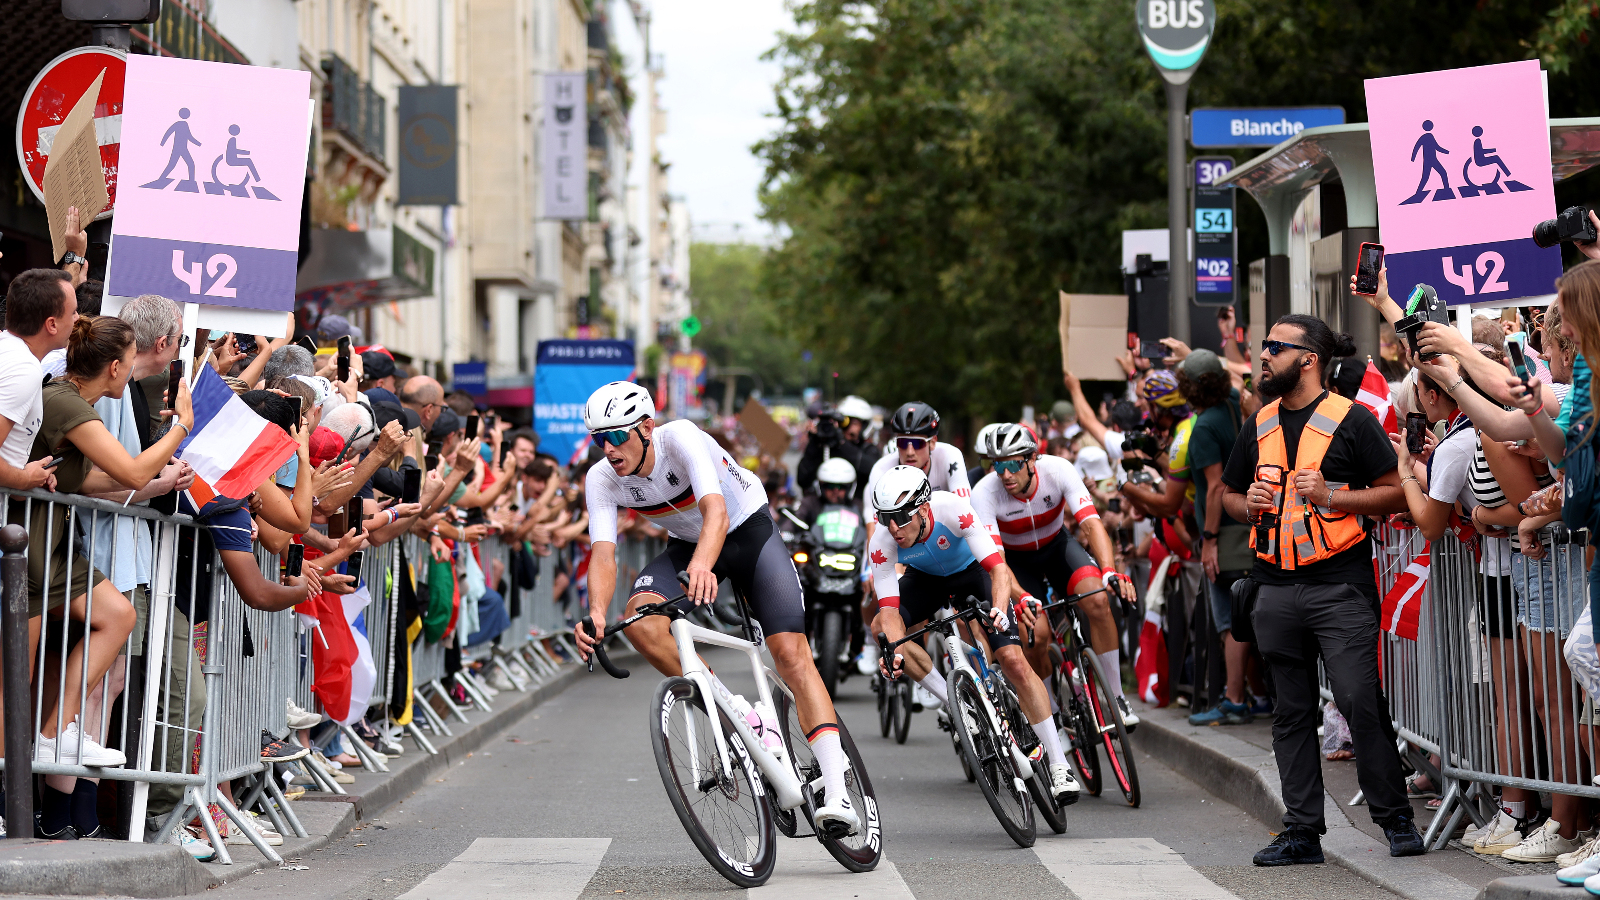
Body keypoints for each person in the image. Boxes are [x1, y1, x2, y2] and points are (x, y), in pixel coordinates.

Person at [570, 381, 862, 834]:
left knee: (789, 654)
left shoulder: (680, 437)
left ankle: (838, 785)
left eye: (616, 436)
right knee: (642, 623)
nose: (607, 449)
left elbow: (717, 512)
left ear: (647, 426)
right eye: (598, 439)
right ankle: (741, 713)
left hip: (747, 534)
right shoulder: (602, 479)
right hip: (688, 545)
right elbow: (604, 554)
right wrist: (597, 614)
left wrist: (705, 565)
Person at [1220, 313, 1422, 864]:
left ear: (1308, 359)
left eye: (1274, 347)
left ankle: (1395, 819)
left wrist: (1333, 496)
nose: (1263, 355)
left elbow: (1395, 495)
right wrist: (1248, 505)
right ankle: (1302, 832)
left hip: (1339, 586)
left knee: (1359, 701)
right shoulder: (1259, 423)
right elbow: (1229, 497)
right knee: (1291, 712)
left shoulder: (1353, 421)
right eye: (1263, 347)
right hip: (1273, 587)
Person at [867, 464, 1081, 805]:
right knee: (884, 631)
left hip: (973, 573)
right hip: (925, 582)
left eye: (902, 517)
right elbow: (890, 610)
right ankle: (953, 704)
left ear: (923, 509)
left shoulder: (952, 509)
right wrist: (893, 649)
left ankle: (1059, 764)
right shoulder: (882, 541)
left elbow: (997, 568)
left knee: (1012, 658)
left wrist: (998, 609)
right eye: (885, 517)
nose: (894, 528)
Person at [969, 424, 1139, 729]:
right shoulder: (985, 492)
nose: (1004, 474)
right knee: (1037, 637)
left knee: (1099, 602)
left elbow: (1091, 524)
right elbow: (997, 562)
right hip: (1016, 563)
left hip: (1057, 547)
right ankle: (1051, 710)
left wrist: (1109, 570)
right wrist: (1021, 597)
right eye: (997, 465)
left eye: (1012, 464)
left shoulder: (1058, 470)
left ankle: (1116, 697)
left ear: (1032, 459)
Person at [1180, 349, 1263, 727]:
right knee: (1252, 616)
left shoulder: (1203, 428)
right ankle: (1259, 694)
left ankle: (1233, 699)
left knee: (1231, 621)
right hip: (1252, 524)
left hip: (1226, 534)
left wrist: (1209, 539)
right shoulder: (1235, 402)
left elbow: (1215, 489)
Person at [797, 394, 876, 498]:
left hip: (857, 507)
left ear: (864, 426)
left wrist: (841, 443)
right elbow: (803, 480)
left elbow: (872, 471)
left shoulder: (869, 450)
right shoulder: (826, 447)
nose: (848, 428)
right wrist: (814, 443)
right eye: (844, 422)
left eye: (854, 423)